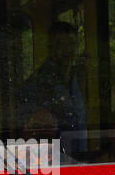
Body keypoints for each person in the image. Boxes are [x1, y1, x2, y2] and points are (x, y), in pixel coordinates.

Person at [20, 20, 87, 153]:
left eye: (72, 44)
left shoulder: (79, 78)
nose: (68, 50)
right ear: (50, 47)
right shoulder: (36, 83)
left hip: (80, 155)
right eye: (62, 44)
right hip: (53, 159)